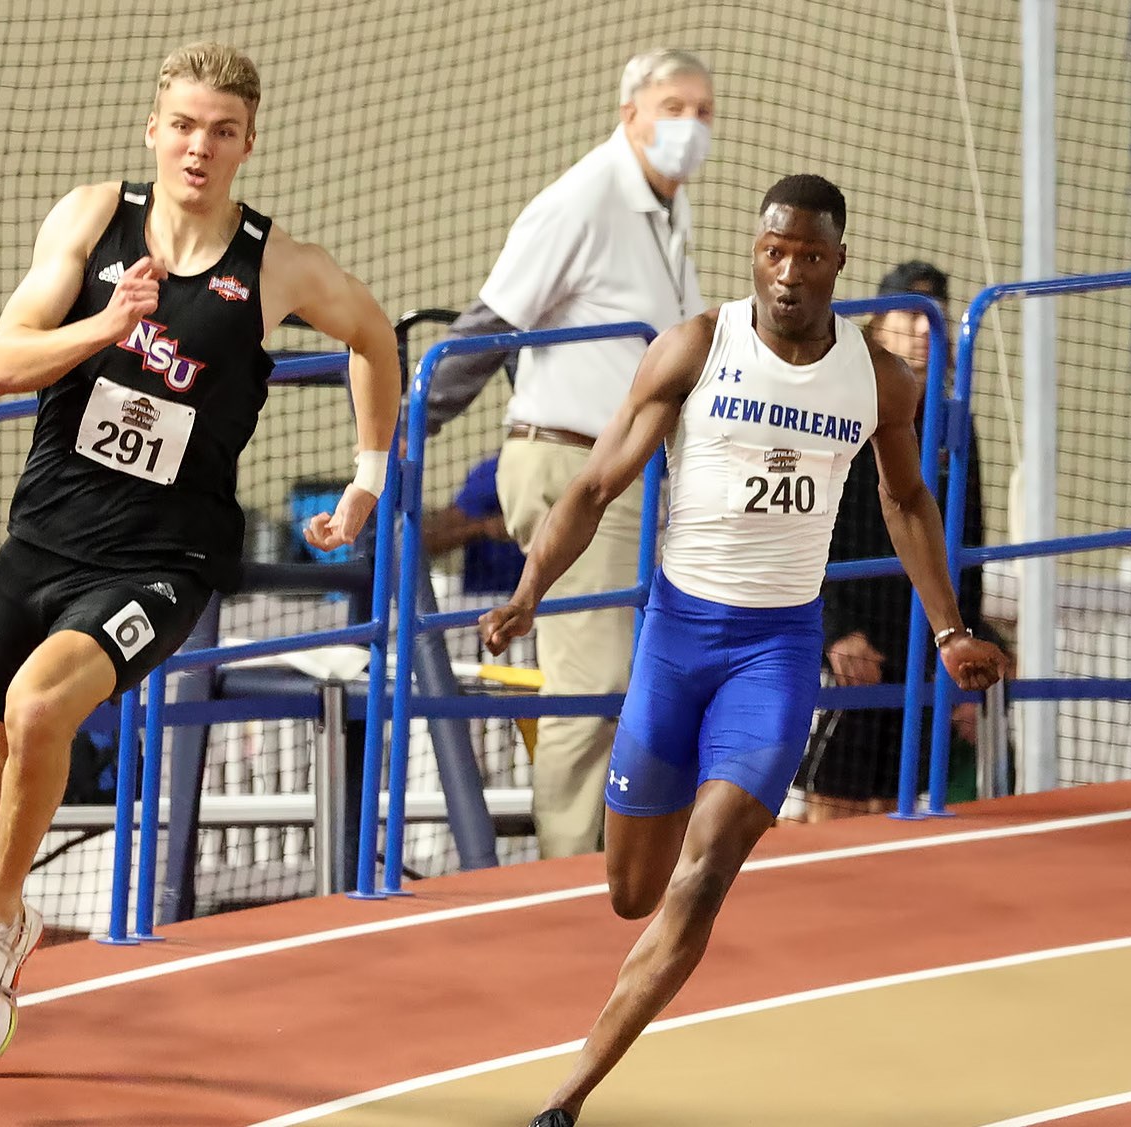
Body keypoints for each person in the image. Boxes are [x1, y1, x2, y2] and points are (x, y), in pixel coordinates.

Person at [479, 176, 1005, 1127]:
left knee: (708, 869)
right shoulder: (696, 347)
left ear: (838, 263)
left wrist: (950, 629)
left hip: (776, 653)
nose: (789, 273)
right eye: (773, 253)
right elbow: (594, 485)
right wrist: (527, 592)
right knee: (631, 891)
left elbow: (905, 500)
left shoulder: (879, 380)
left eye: (809, 256)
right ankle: (683, 810)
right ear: (754, 255)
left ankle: (567, 1095)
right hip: (677, 643)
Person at [0, 41, 401, 1069]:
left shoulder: (275, 265)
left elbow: (373, 335)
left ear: (247, 144)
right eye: (183, 125)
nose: (199, 147)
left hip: (164, 558)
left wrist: (368, 478)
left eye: (222, 131)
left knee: (43, 709)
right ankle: (5, 936)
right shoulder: (91, 217)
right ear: (153, 129)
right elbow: (3, 362)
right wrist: (108, 323)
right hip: (42, 537)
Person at [430, 48, 716, 859]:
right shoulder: (586, 197)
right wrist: (398, 434)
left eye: (703, 111)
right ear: (630, 114)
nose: (690, 125)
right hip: (571, 466)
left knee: (630, 682)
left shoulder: (669, 210)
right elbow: (491, 321)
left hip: (632, 474)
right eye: (673, 108)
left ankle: (610, 860)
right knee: (590, 687)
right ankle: (562, 874)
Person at [801, 261, 995, 817]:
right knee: (831, 806)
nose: (922, 329)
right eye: (908, 314)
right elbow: (806, 524)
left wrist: (964, 641)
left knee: (896, 807)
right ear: (877, 326)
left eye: (934, 317)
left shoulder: (955, 424)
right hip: (848, 647)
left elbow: (969, 547)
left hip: (920, 645)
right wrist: (835, 631)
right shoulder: (838, 408)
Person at [422, 454, 525, 595]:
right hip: (488, 596)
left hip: (536, 593)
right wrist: (484, 527)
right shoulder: (495, 471)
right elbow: (432, 540)